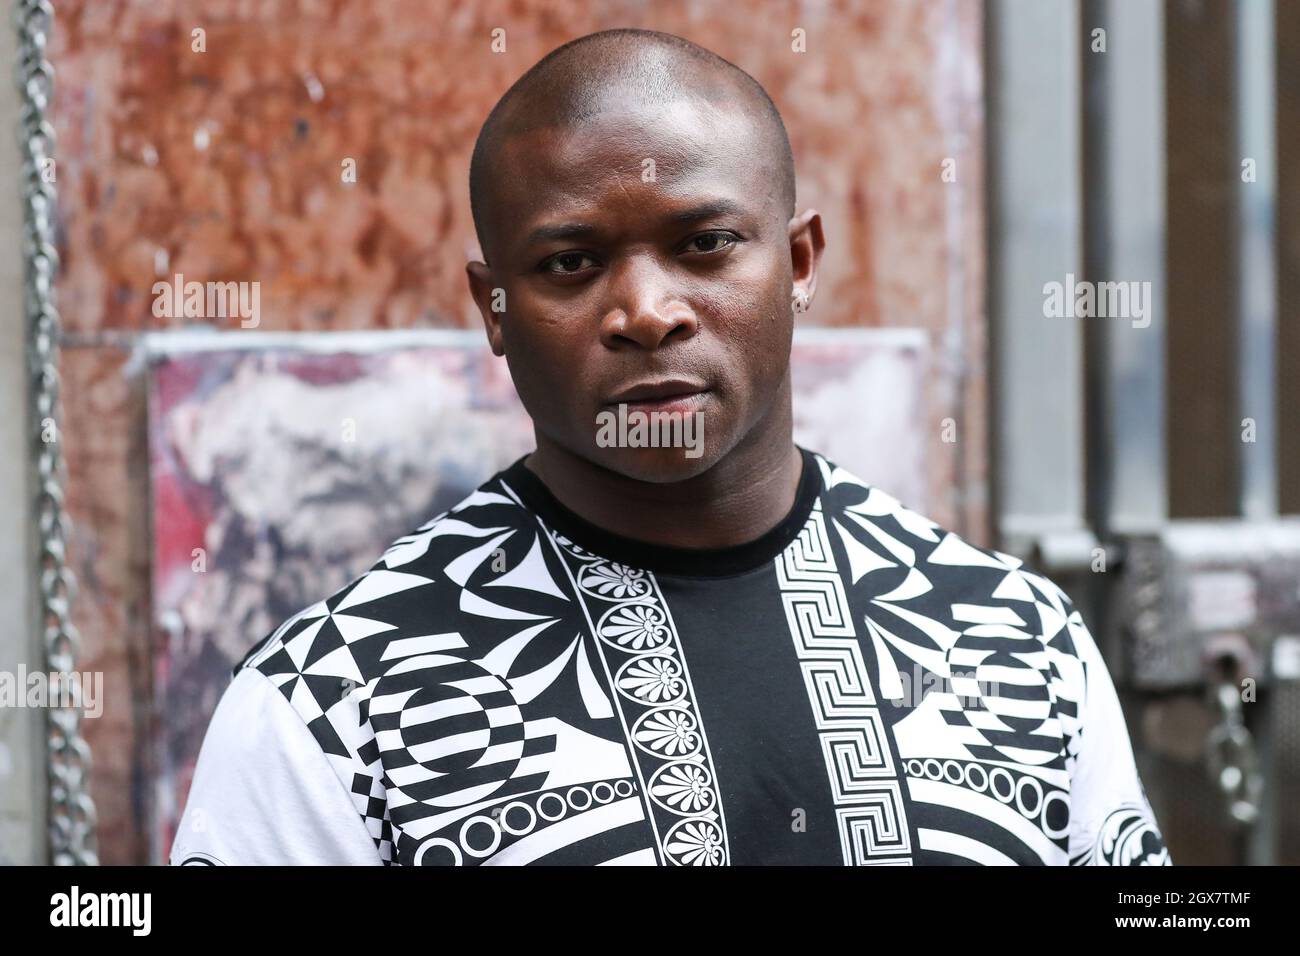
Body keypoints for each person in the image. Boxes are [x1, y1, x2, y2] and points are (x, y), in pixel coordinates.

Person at [170, 28, 1170, 866]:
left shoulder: (1012, 638)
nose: (646, 312)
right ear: (497, 308)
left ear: (800, 259)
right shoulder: (341, 700)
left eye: (704, 245)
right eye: (571, 262)